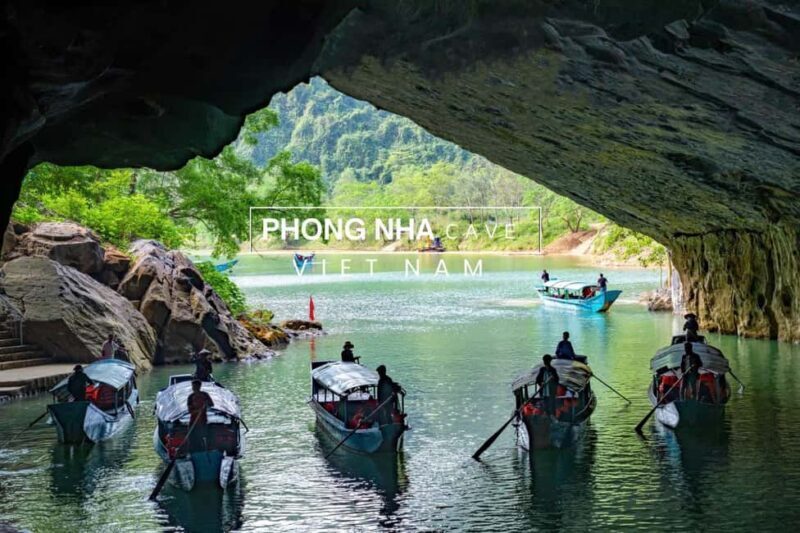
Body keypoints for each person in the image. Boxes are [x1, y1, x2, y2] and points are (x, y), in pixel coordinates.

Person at [187, 379, 214, 451]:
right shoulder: (191, 397)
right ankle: (193, 451)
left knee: (203, 436)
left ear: (199, 387)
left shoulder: (205, 395)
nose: (193, 388)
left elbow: (211, 404)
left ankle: (204, 450)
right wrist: (198, 410)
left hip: (203, 419)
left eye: (195, 386)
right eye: (193, 386)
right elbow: (190, 411)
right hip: (193, 420)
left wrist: (206, 404)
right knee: (192, 437)